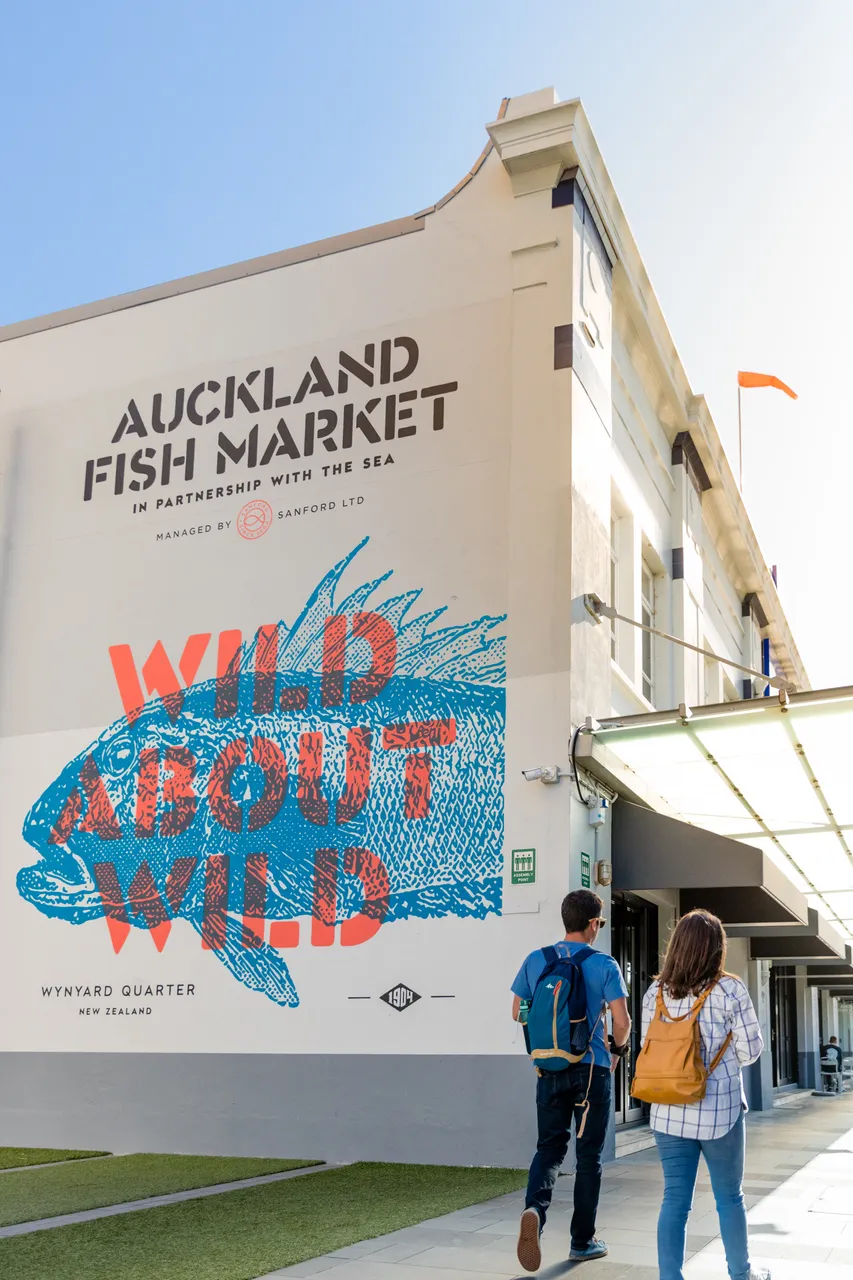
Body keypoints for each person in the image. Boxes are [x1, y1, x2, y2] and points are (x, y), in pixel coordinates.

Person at [642, 909, 769, 1280]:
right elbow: (751, 1050)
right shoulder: (729, 988)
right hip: (720, 1113)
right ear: (716, 949)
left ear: (677, 946)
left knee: (675, 1200)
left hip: (667, 1111)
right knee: (730, 1197)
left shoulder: (655, 993)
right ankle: (741, 1275)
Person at [511, 889, 631, 1270]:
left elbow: (517, 1012)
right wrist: (617, 1051)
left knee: (548, 1147)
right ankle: (582, 1241)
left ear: (565, 920)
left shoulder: (537, 959)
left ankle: (534, 1210)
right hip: (592, 1069)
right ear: (593, 923)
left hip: (548, 1069)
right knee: (589, 1158)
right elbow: (622, 1022)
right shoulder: (604, 964)